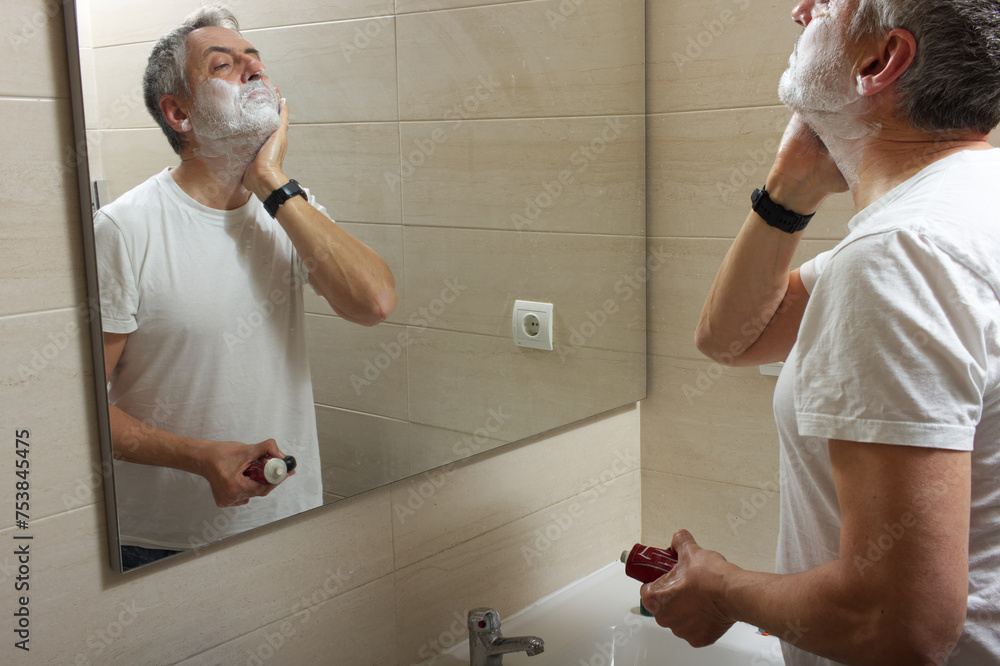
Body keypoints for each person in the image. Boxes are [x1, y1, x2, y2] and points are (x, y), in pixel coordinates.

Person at [642, 0, 1000, 664]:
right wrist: (789, 189)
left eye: (829, 1)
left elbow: (898, 624)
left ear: (880, 61)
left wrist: (722, 588)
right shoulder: (967, 205)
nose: (800, 8)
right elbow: (732, 340)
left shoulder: (902, 252)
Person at [94, 5, 397, 570]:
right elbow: (78, 410)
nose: (252, 69)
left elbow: (374, 303)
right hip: (160, 540)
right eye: (224, 65)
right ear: (179, 113)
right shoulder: (123, 229)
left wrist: (271, 180)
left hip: (289, 518)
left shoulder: (283, 210)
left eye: (254, 59)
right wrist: (199, 456)